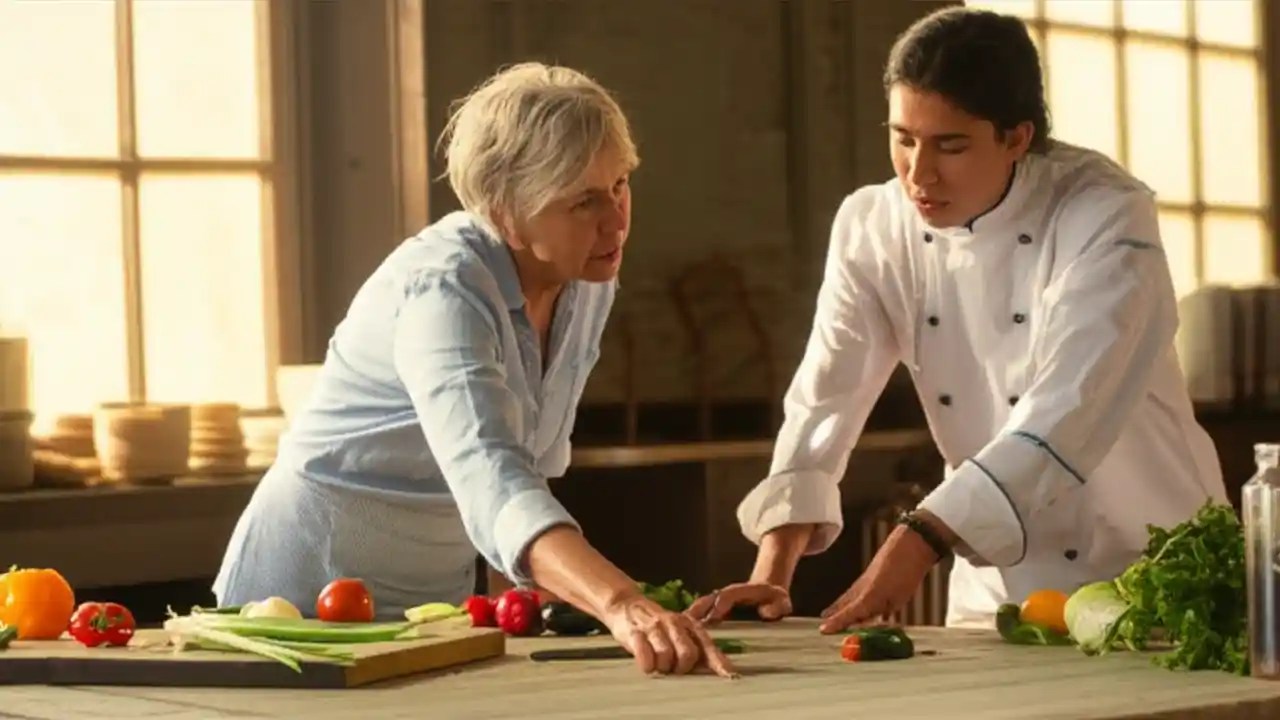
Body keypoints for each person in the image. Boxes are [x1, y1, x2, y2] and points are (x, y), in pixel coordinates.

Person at [689, 7, 1227, 633]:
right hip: (995, 594)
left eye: (950, 145)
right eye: (903, 138)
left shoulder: (1106, 216)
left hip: (1148, 576)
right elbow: (822, 403)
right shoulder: (874, 227)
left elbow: (1066, 410)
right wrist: (771, 572)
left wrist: (918, 538)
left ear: (1017, 137)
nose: (919, 174)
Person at [214, 62, 735, 678]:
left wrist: (525, 612)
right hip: (305, 601)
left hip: (434, 610)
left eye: (620, 185)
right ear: (504, 211)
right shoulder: (444, 290)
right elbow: (493, 478)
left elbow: (529, 468)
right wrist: (621, 604)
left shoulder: (586, 272)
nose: (617, 221)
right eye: (584, 200)